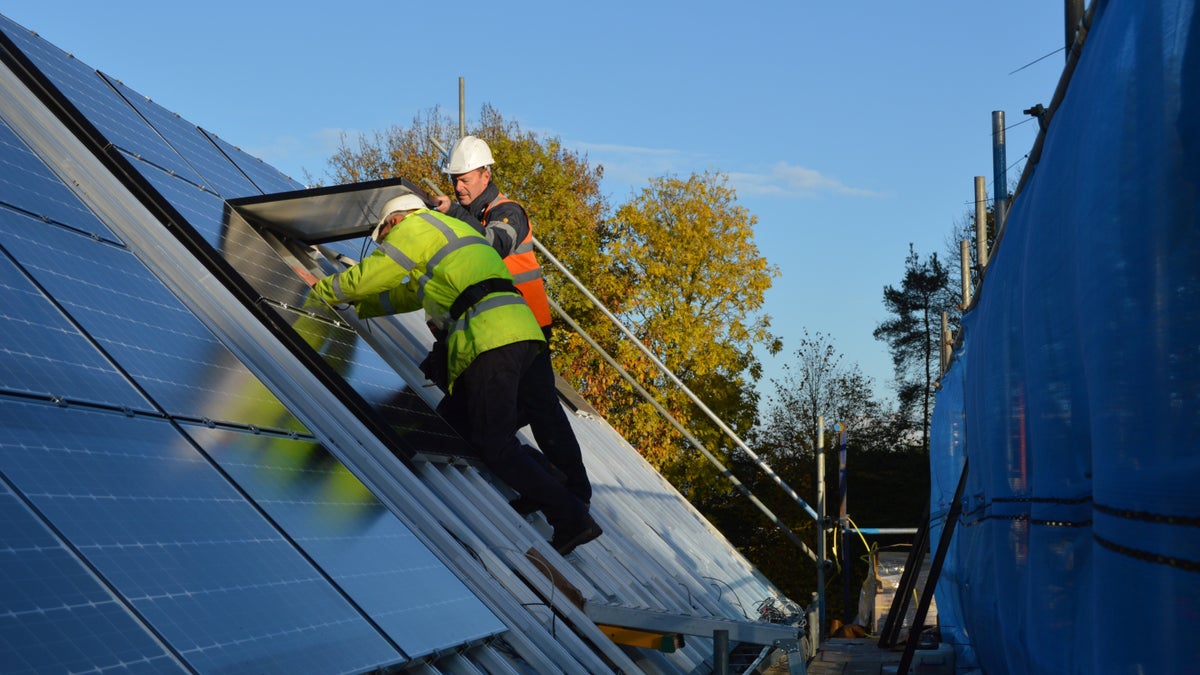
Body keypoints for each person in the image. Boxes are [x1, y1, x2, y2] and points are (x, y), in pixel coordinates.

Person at [307, 193, 601, 555]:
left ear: (394, 221)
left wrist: (321, 292)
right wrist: (362, 306)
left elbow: (373, 274)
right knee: (445, 427)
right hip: (518, 331)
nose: (386, 245)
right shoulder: (451, 231)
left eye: (384, 238)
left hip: (489, 337)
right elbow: (407, 295)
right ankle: (552, 482)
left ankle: (572, 519)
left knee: (494, 443)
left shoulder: (413, 228)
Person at [434, 136, 592, 512]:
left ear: (486, 175)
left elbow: (492, 245)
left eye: (465, 179)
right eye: (454, 179)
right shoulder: (472, 214)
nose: (458, 187)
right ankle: (553, 486)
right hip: (505, 330)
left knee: (541, 410)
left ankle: (573, 493)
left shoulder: (509, 212)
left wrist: (451, 217)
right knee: (522, 410)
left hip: (529, 325)